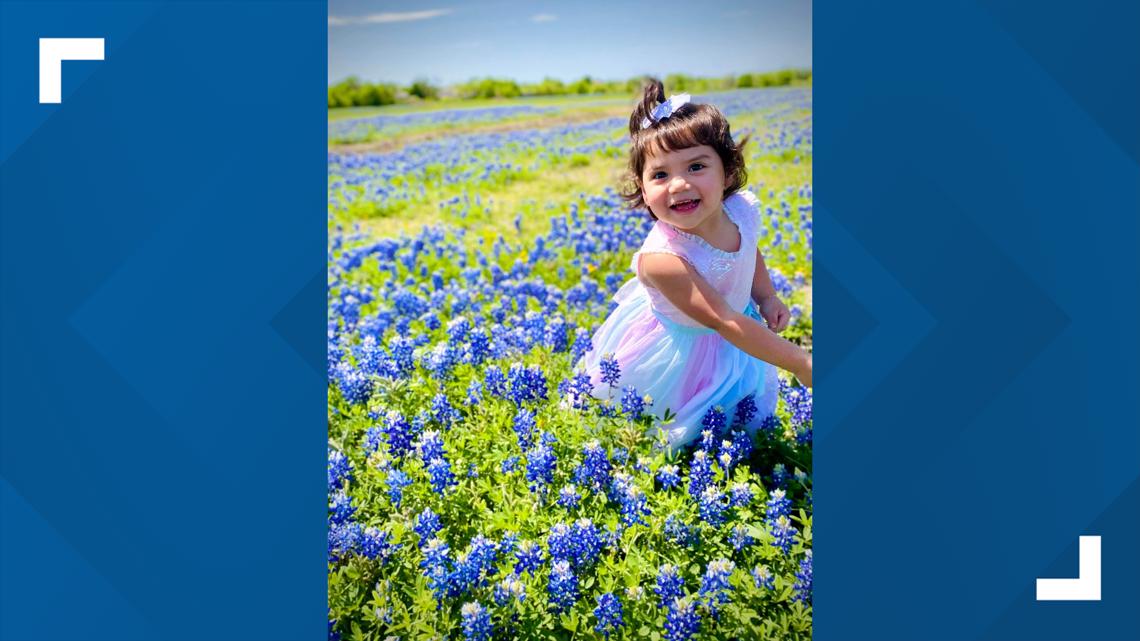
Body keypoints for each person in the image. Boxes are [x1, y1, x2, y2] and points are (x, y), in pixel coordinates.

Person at [575, 78, 813, 450]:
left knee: (734, 411)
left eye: (697, 166)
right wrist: (799, 362)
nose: (678, 184)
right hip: (684, 347)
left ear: (728, 174)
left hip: (736, 332)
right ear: (642, 189)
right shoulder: (662, 260)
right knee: (678, 427)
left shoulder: (740, 210)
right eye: (660, 174)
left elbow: (748, 251)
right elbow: (723, 321)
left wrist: (766, 297)